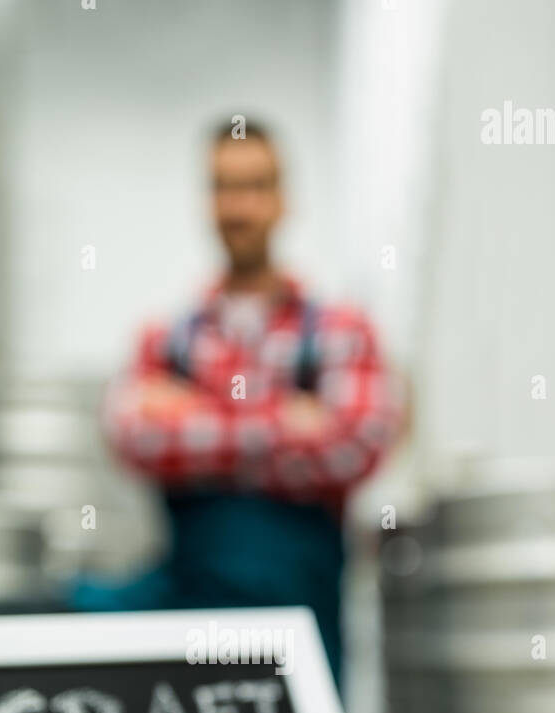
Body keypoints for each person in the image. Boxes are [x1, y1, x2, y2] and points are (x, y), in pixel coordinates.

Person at [76, 118, 405, 682]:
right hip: (190, 627)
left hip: (304, 640)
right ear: (207, 201)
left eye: (255, 186)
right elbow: (131, 436)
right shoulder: (166, 338)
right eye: (224, 187)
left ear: (283, 200)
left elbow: (356, 443)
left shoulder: (341, 330)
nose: (239, 206)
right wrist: (288, 420)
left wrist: (198, 417)